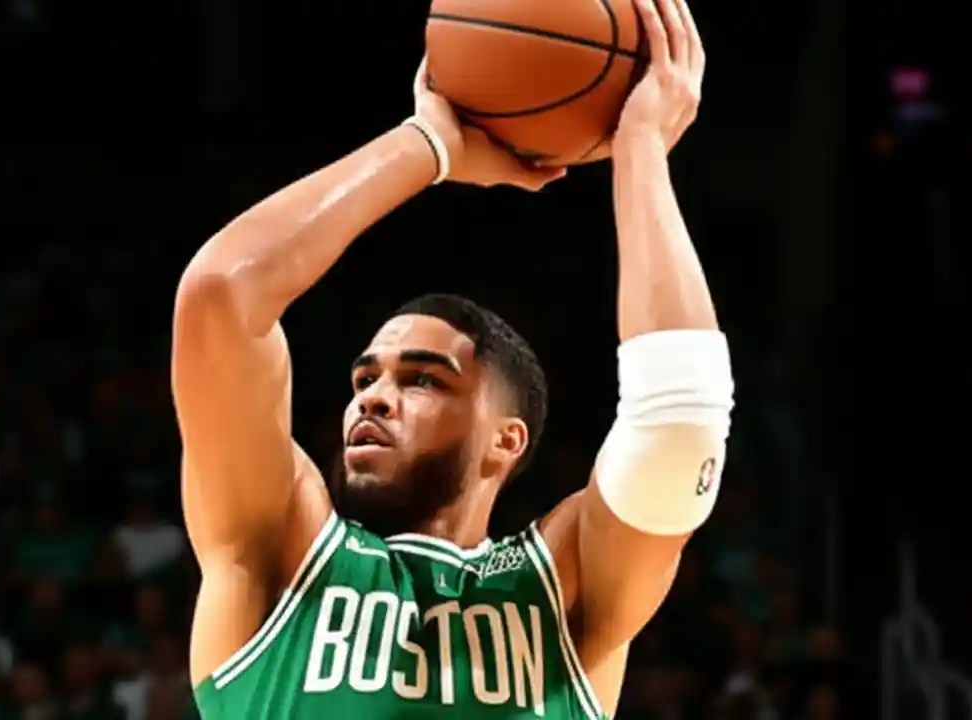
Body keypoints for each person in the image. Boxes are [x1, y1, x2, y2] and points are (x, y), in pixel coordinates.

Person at [172, 0, 732, 716]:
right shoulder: (280, 554)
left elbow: (679, 433)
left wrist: (642, 147)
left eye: (423, 380)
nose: (372, 397)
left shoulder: (561, 589)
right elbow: (220, 297)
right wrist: (427, 144)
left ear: (507, 439)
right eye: (366, 377)